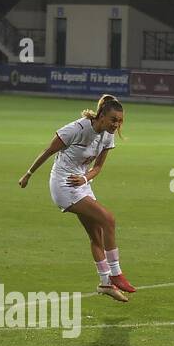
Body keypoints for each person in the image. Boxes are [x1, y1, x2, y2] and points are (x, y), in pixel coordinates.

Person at [16, 94, 135, 302]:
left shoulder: (108, 135)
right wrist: (28, 174)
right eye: (113, 120)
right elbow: (48, 151)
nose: (117, 125)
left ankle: (105, 284)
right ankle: (116, 274)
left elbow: (97, 167)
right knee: (108, 219)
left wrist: (84, 177)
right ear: (101, 116)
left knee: (96, 234)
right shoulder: (76, 129)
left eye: (120, 121)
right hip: (63, 184)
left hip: (81, 183)